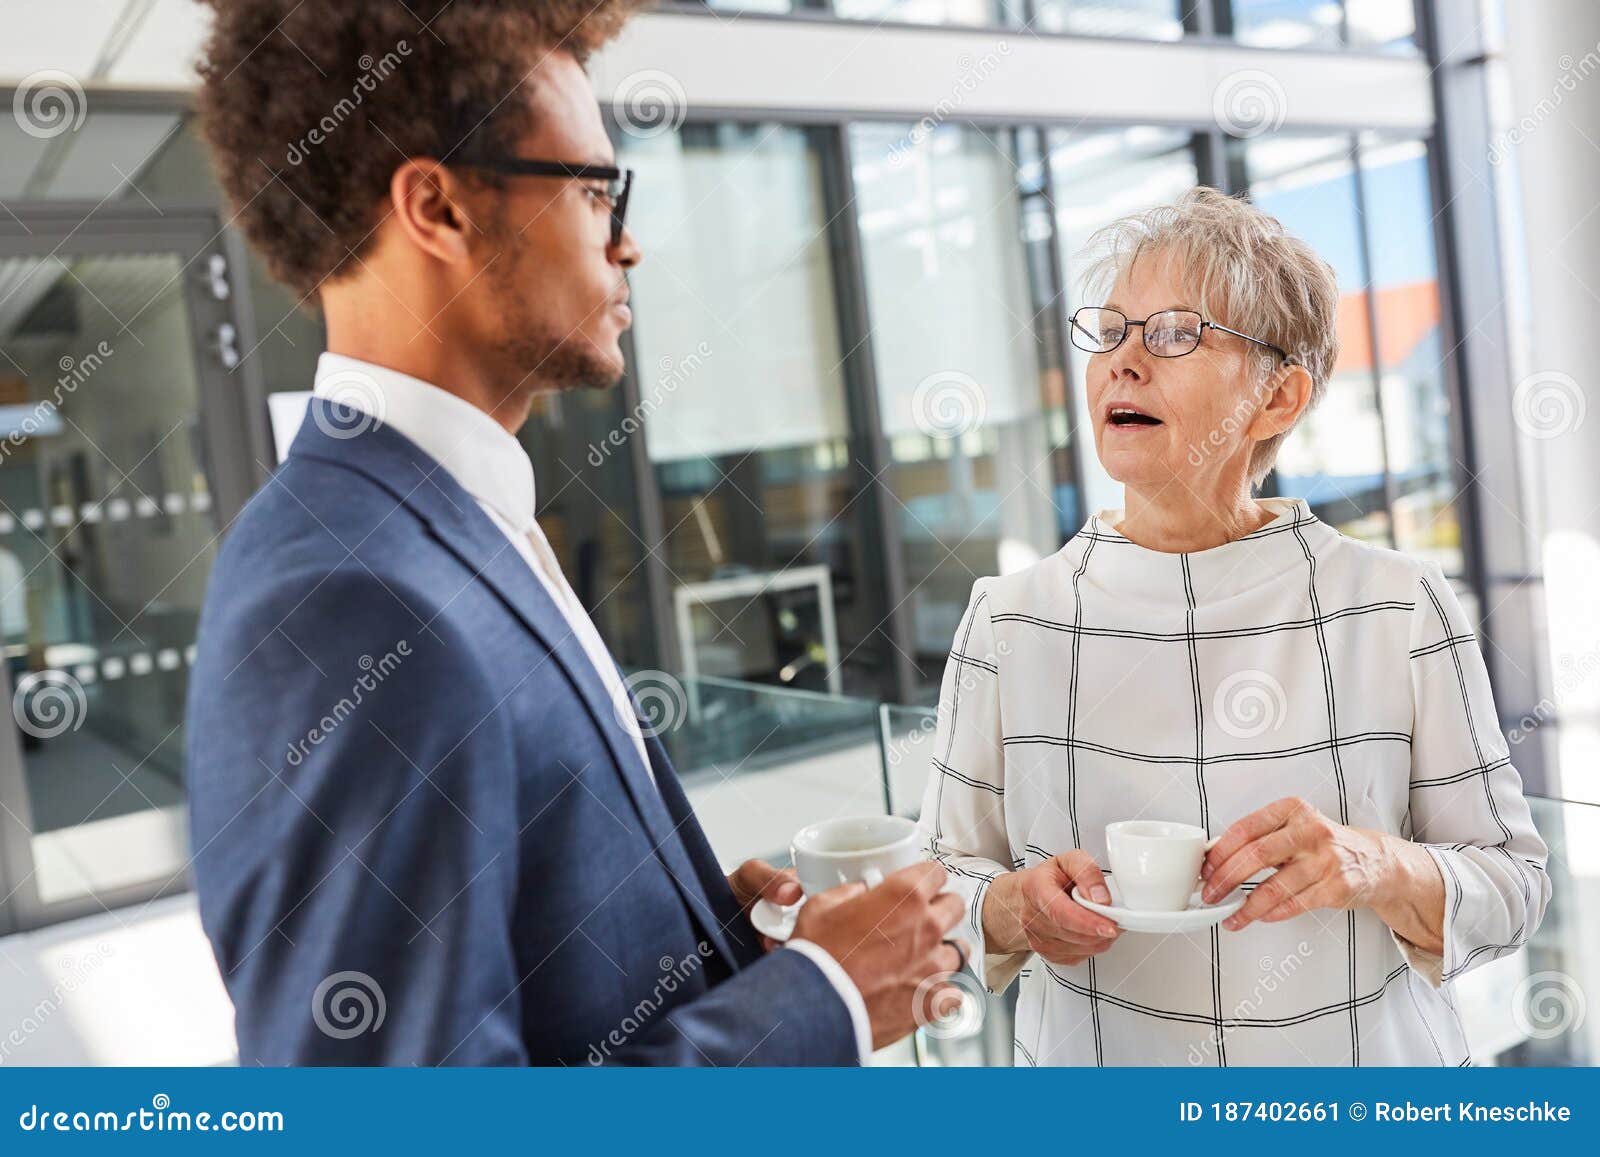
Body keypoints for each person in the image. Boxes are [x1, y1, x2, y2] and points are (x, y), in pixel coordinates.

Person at [185, 0, 962, 1066]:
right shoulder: (347, 597)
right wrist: (822, 996)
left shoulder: (443, 514)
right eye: (597, 188)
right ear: (438, 209)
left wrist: (701, 941)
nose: (627, 240)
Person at [919, 188, 1550, 1066]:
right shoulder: (1009, 617)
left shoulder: (1399, 603)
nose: (1123, 363)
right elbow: (939, 880)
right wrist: (1009, 907)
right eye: (1111, 329)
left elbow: (1514, 887)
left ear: (1278, 397)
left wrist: (1378, 863)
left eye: (1175, 332)